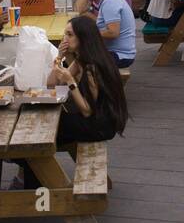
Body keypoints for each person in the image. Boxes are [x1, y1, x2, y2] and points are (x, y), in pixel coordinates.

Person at [49, 16, 130, 145]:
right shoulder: (81, 58)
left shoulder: (92, 68)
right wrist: (59, 57)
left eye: (70, 35)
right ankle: (27, 160)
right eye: (65, 34)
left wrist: (71, 82)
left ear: (83, 38)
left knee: (49, 127)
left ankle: (27, 160)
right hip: (91, 120)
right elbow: (52, 85)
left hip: (100, 126)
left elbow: (87, 111)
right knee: (48, 122)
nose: (65, 39)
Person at [86, 0, 136, 68]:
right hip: (119, 53)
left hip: (120, 55)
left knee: (80, 58)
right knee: (77, 53)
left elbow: (113, 32)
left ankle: (85, 83)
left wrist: (89, 33)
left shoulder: (110, 2)